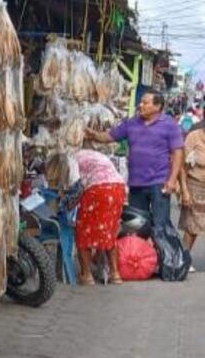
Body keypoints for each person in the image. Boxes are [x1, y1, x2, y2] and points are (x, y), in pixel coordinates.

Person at [85, 90, 183, 231]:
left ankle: (161, 252)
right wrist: (94, 135)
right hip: (136, 183)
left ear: (157, 106)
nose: (140, 105)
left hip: (159, 183)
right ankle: (142, 253)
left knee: (160, 226)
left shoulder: (169, 124)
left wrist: (172, 180)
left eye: (145, 102)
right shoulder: (131, 123)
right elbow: (110, 136)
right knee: (137, 225)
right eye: (141, 102)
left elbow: (178, 152)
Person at [72, 149, 127, 285]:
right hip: (118, 188)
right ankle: (115, 274)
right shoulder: (94, 155)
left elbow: (73, 187)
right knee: (110, 231)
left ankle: (87, 274)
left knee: (83, 231)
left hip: (98, 189)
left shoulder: (72, 160)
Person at [179, 120, 205, 260]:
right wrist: (184, 191)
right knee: (192, 228)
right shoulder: (193, 137)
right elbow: (183, 167)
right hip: (195, 185)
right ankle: (182, 260)